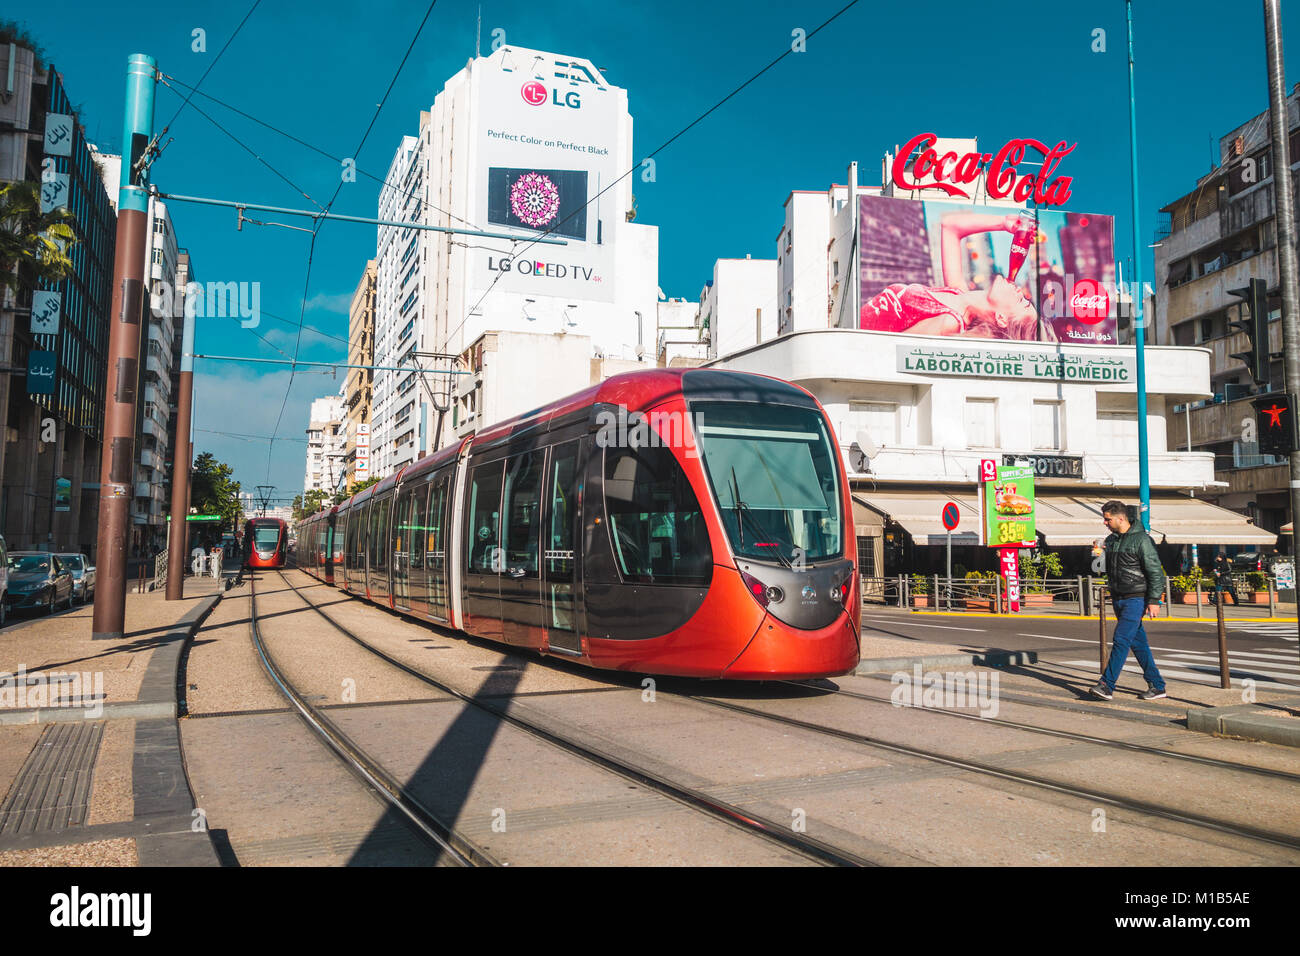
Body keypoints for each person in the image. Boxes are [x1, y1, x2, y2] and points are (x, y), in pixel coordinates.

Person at [860, 212, 1056, 341]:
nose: (1019, 291)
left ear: (1002, 319)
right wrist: (1004, 223)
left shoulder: (950, 322)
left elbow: (890, 349)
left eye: (1021, 300)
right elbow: (950, 226)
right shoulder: (957, 293)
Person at [1091, 500, 1167, 701]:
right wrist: (1095, 554)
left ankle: (1107, 685)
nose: (1105, 523)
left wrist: (1154, 600)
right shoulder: (1112, 540)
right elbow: (1107, 567)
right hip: (1118, 596)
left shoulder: (1141, 540)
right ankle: (1157, 685)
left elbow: (1155, 571)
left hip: (1137, 597)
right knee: (1137, 643)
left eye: (1107, 519)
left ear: (1121, 518)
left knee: (1121, 639)